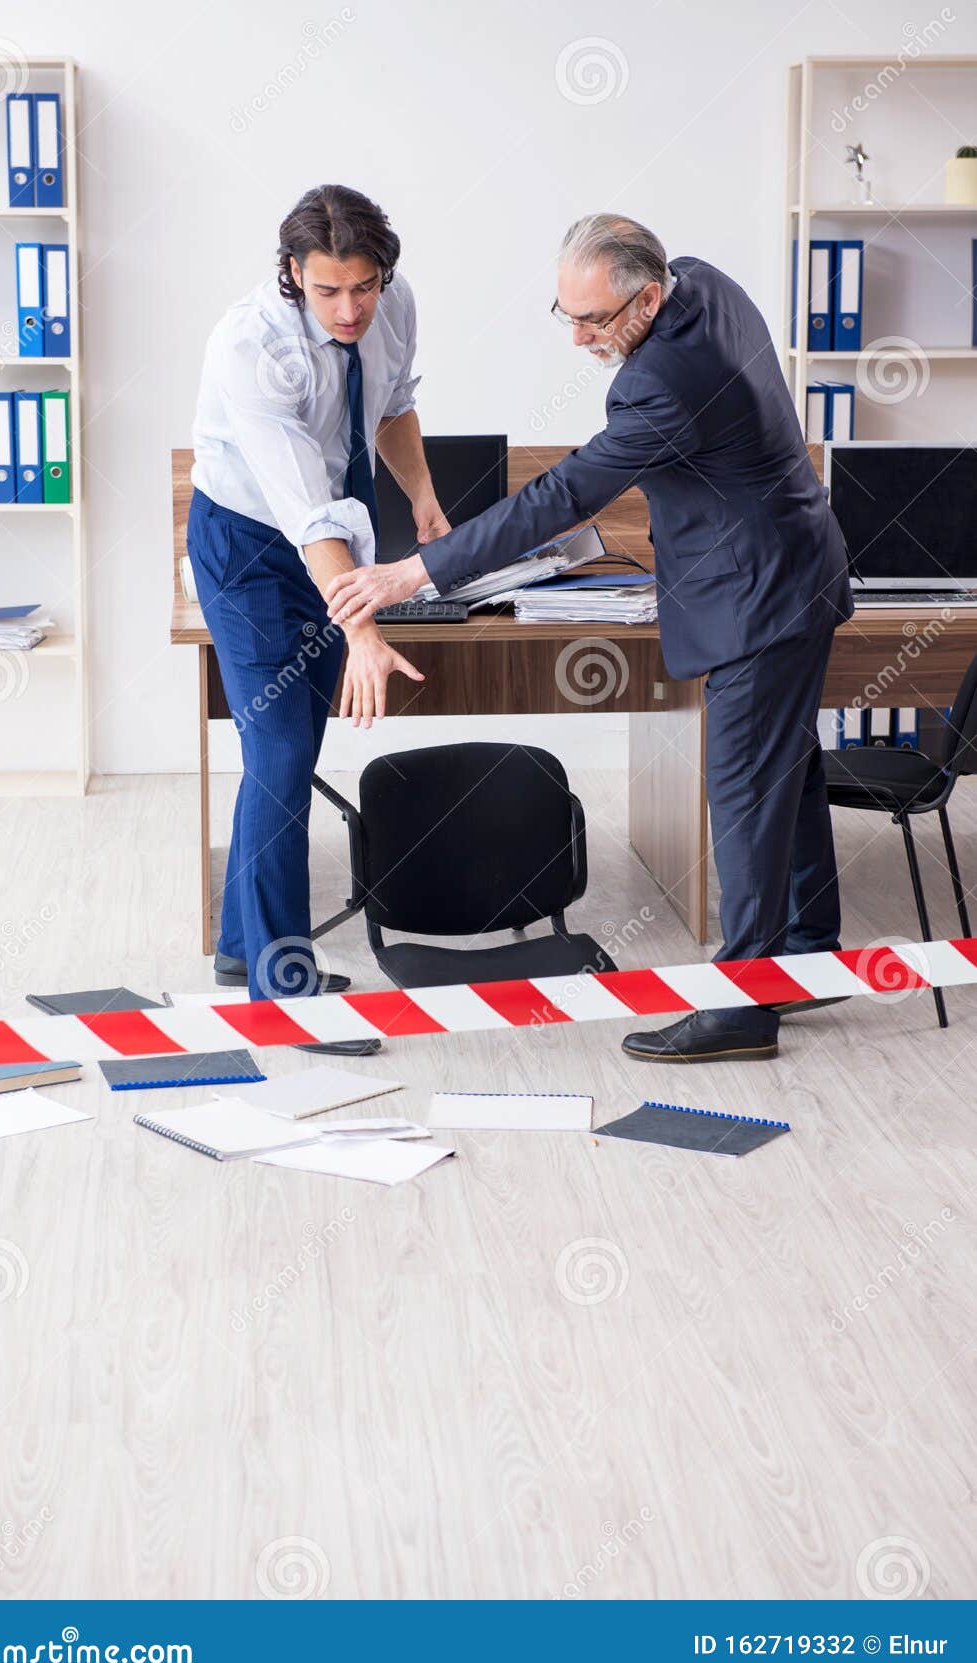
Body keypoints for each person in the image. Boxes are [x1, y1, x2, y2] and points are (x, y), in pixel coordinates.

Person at [325, 215, 854, 1063]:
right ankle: (808, 956)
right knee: (787, 772)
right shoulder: (701, 277)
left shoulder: (669, 381)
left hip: (757, 594)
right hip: (800, 563)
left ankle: (744, 1006)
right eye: (564, 313)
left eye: (595, 322)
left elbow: (562, 496)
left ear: (648, 296)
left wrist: (409, 574)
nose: (578, 338)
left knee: (749, 788)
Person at [187, 183, 448, 998]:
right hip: (252, 544)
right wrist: (366, 632)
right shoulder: (252, 348)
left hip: (334, 534)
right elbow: (304, 511)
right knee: (282, 749)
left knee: (290, 748)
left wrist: (424, 497)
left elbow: (394, 405)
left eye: (363, 288)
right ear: (292, 272)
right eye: (328, 290)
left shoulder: (392, 304)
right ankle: (280, 980)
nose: (349, 310)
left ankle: (242, 943)